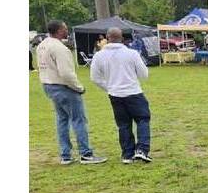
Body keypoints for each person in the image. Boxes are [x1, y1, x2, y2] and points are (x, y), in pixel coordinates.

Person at [36, 20, 106, 165]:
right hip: (64, 87)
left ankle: (65, 155)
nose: (67, 31)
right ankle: (86, 154)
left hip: (49, 85)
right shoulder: (60, 48)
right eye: (65, 29)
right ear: (59, 30)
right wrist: (79, 87)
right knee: (78, 120)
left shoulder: (42, 45)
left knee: (62, 120)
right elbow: (66, 73)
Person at [90, 28, 153, 164]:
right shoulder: (132, 54)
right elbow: (144, 74)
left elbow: (95, 78)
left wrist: (109, 87)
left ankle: (127, 154)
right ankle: (142, 149)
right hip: (133, 92)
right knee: (142, 119)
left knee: (123, 124)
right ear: (122, 38)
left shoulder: (99, 56)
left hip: (115, 94)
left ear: (107, 38)